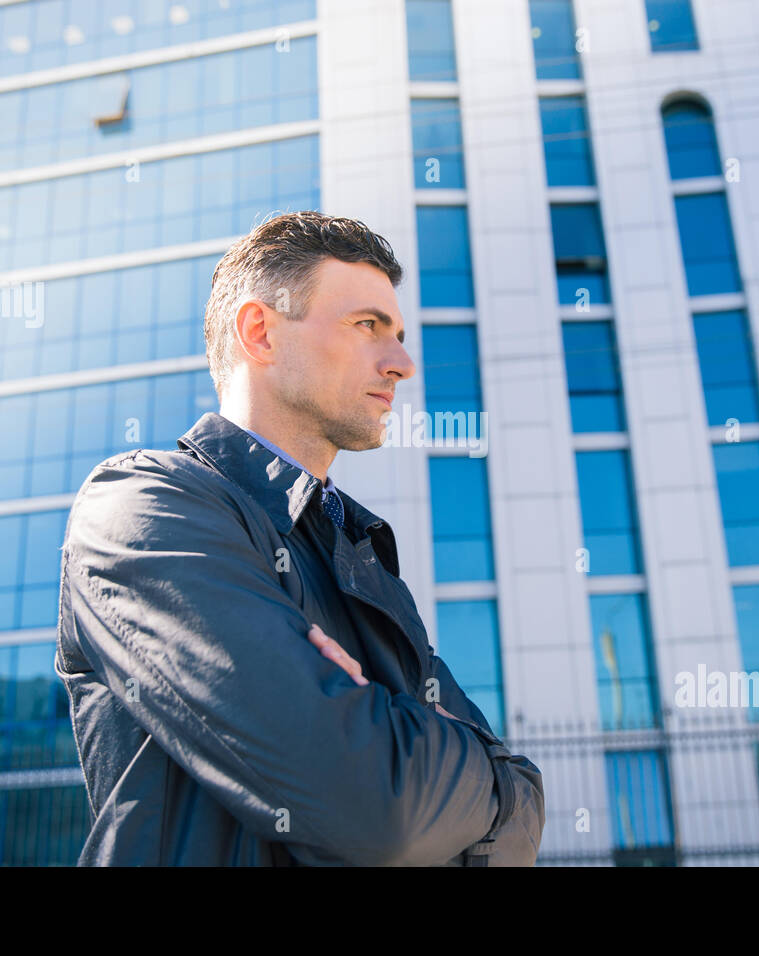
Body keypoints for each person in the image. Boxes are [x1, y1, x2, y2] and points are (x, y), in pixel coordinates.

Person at [56, 210, 544, 865]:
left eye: (397, 333)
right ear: (260, 332)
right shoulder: (145, 506)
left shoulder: (358, 546)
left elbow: (523, 805)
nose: (402, 363)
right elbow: (376, 808)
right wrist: (444, 762)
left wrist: (422, 756)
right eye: (367, 325)